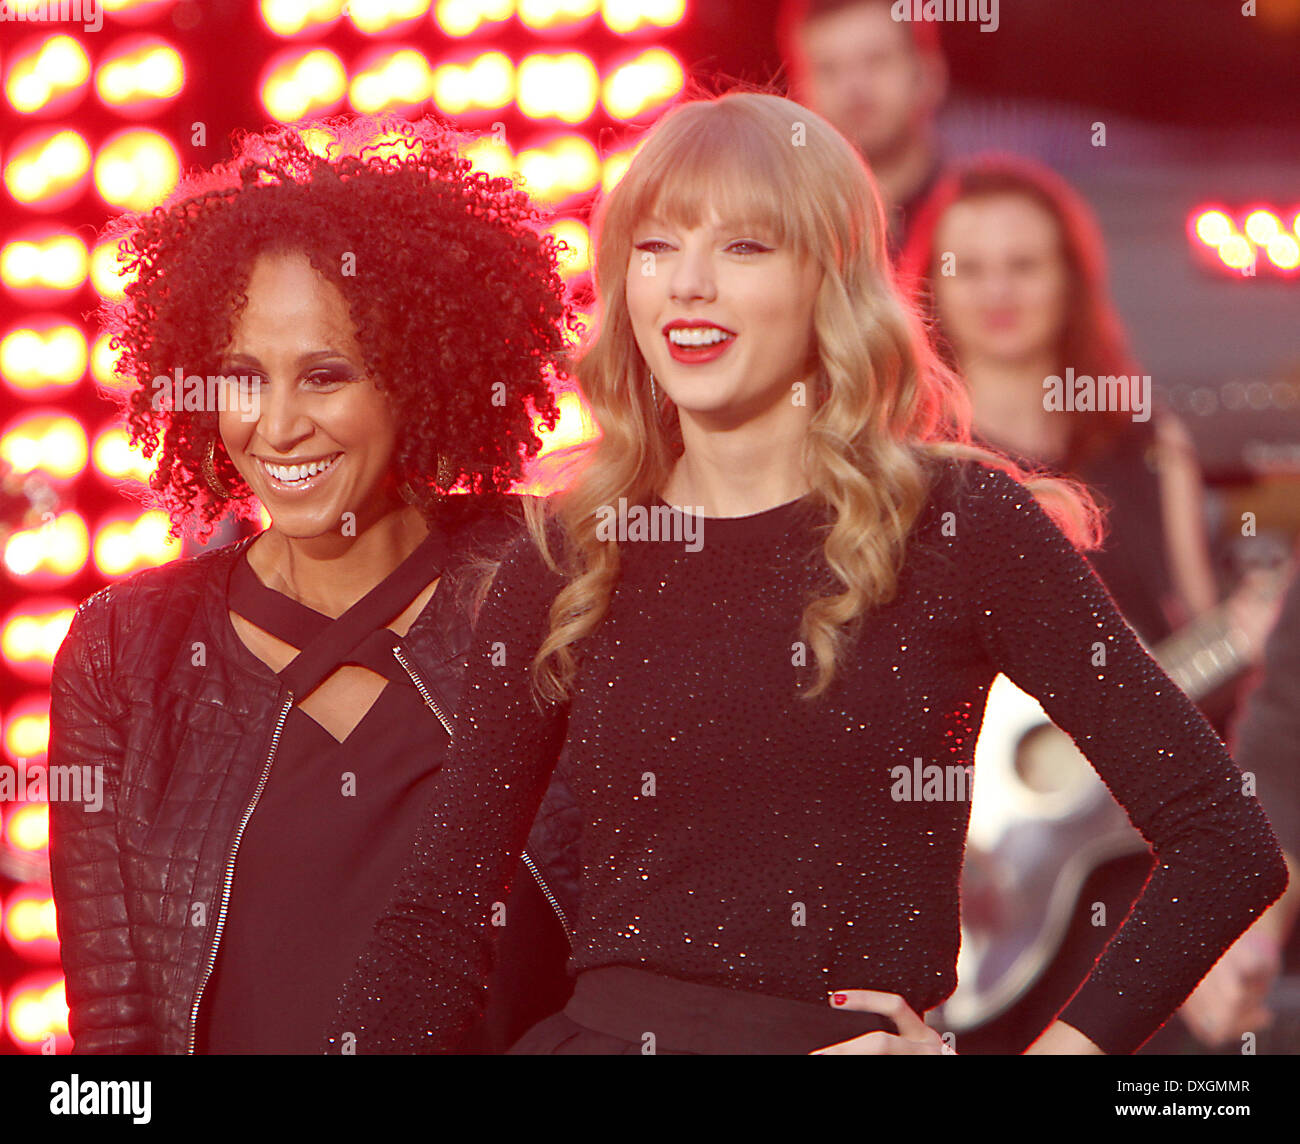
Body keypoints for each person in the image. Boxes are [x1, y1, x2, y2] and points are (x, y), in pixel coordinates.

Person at [330, 91, 1289, 1056]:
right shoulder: (567, 556)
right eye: (656, 247)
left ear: (828, 278)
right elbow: (436, 924)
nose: (688, 284)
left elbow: (1225, 844)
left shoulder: (960, 528)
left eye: (744, 247)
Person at [47, 115, 579, 1054]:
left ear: (414, 378)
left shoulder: (547, 581)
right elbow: (116, 1037)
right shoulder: (125, 650)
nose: (278, 426)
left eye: (325, 375)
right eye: (244, 378)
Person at [898, 155, 1288, 1051]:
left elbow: (1208, 652)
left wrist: (1256, 641)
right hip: (975, 874)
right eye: (971, 266)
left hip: (1132, 863)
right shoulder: (913, 462)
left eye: (1026, 264)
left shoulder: (1149, 444)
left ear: (1070, 278)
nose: (998, 290)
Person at [779, 0, 948, 260]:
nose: (854, 88)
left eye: (876, 60)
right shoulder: (782, 225)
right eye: (829, 70)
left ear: (928, 75)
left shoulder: (983, 221)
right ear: (798, 93)